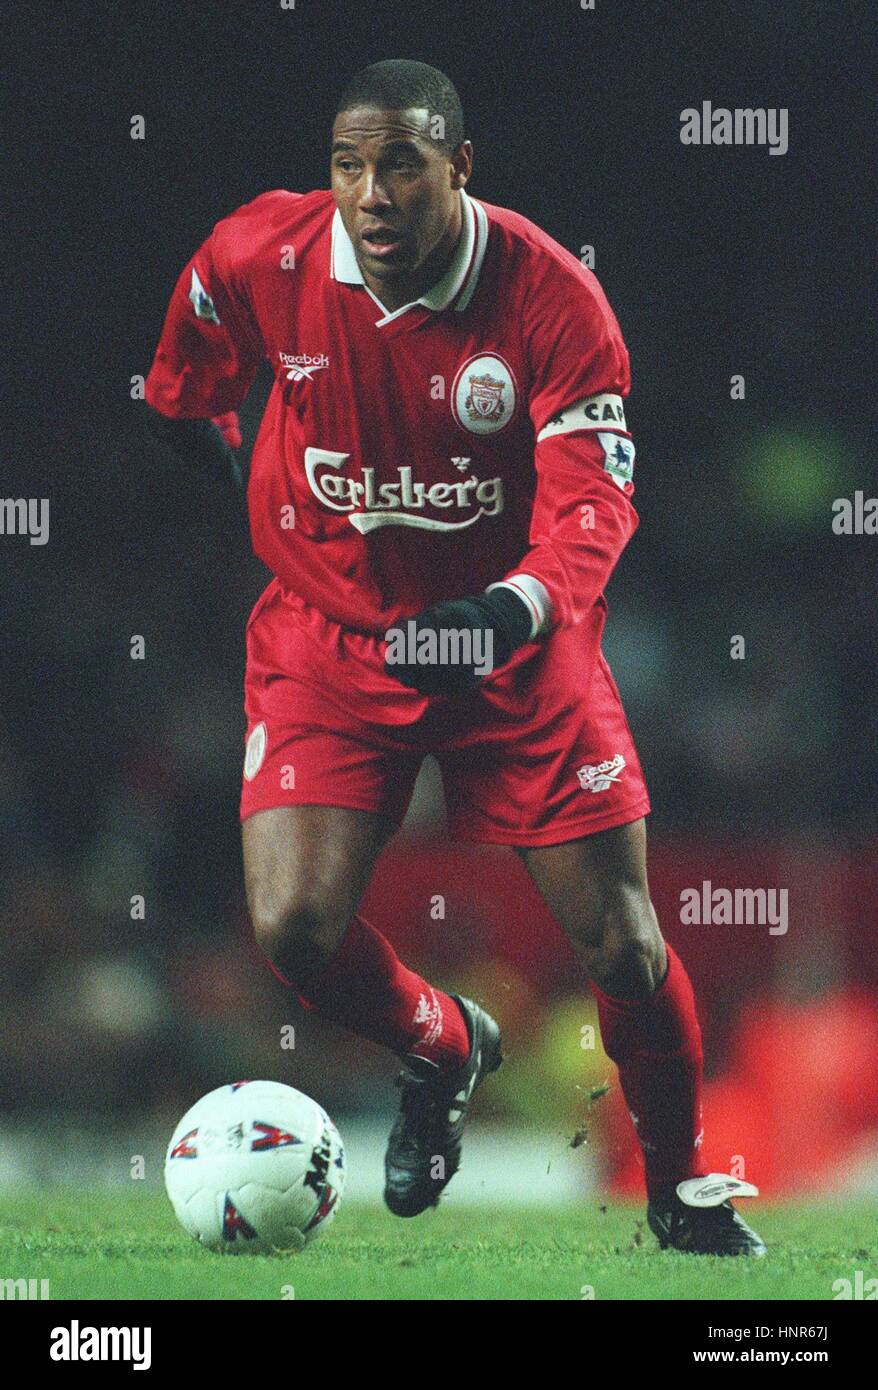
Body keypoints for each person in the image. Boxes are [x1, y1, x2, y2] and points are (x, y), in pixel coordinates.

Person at [145, 58, 764, 1256]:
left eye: (399, 164)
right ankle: (442, 1044)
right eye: (346, 165)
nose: (369, 193)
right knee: (293, 933)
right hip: (328, 640)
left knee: (622, 942)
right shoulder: (255, 256)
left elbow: (593, 506)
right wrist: (222, 448)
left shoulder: (549, 296)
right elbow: (183, 375)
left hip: (510, 656)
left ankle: (678, 1190)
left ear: (457, 168)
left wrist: (506, 612)